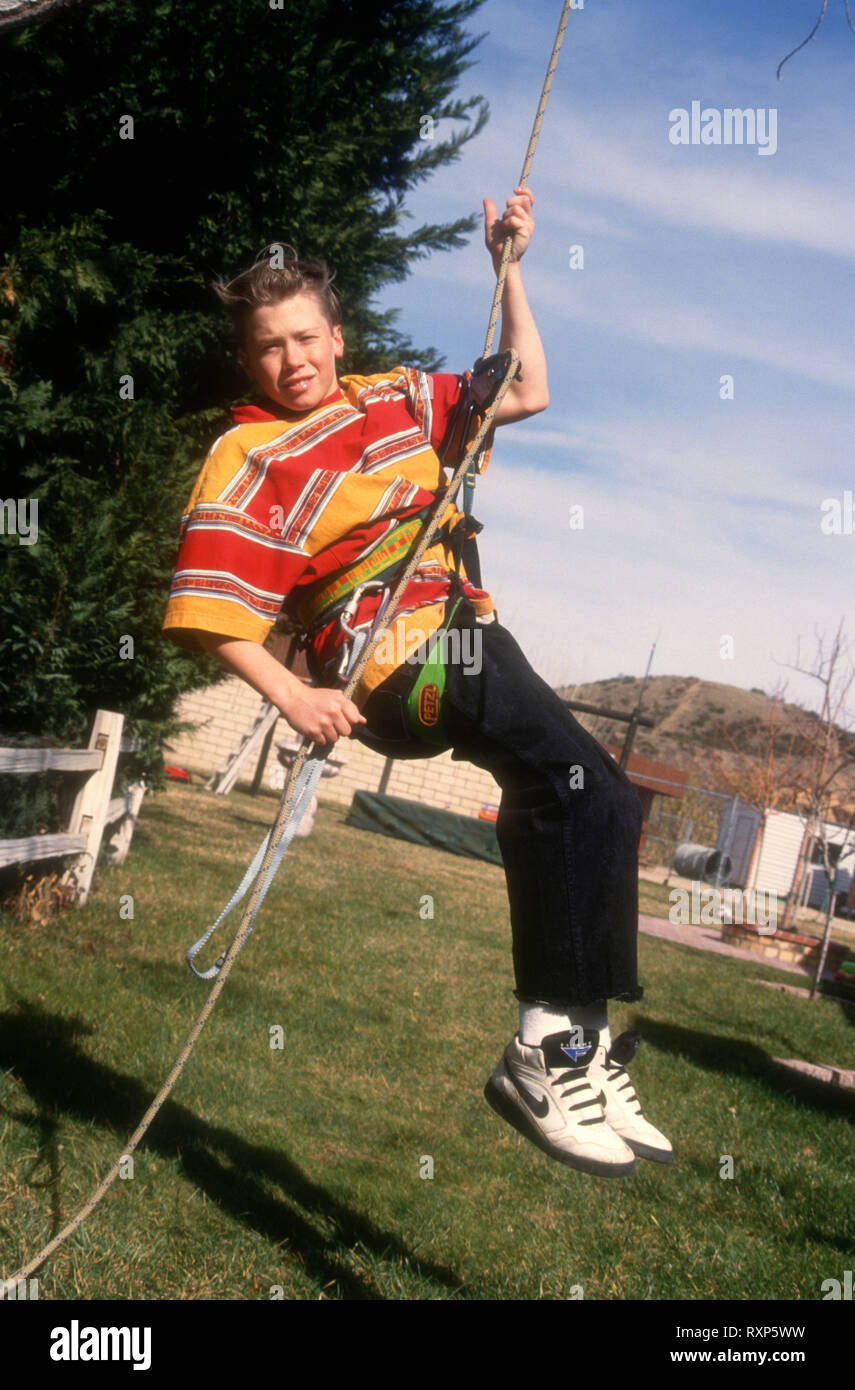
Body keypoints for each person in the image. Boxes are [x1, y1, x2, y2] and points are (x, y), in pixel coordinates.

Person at [162, 188, 672, 1177]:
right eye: (267, 348)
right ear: (248, 361)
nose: (291, 360)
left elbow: (526, 389)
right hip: (396, 663)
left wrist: (508, 269)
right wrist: (295, 697)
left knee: (594, 800)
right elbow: (205, 611)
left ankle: (579, 1045)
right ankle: (542, 1054)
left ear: (336, 336)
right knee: (576, 788)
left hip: (465, 632)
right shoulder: (245, 453)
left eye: (304, 338)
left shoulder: (392, 398)